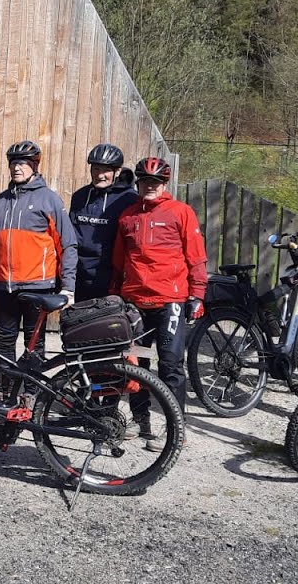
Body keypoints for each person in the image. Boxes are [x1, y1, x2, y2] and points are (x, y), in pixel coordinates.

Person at [110, 156, 208, 450]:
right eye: (145, 181)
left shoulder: (181, 212)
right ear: (138, 183)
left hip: (170, 302)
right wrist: (115, 293)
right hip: (136, 301)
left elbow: (196, 256)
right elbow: (118, 261)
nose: (150, 186)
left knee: (170, 365)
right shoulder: (127, 216)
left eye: (156, 181)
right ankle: (141, 422)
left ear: (164, 183)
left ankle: (175, 428)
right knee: (136, 364)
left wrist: (198, 294)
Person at [0, 140, 78, 399]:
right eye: (13, 163)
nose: (17, 168)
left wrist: (68, 286)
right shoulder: (0, 201)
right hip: (6, 287)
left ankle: (32, 394)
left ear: (35, 166)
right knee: (3, 343)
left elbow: (68, 245)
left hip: (39, 286)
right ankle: (4, 394)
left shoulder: (49, 200)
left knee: (33, 344)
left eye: (23, 163)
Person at [69, 143, 138, 303]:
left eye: (105, 170)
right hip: (80, 276)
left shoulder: (129, 199)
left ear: (117, 171)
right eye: (95, 169)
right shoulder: (80, 196)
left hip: (110, 279)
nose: (99, 175)